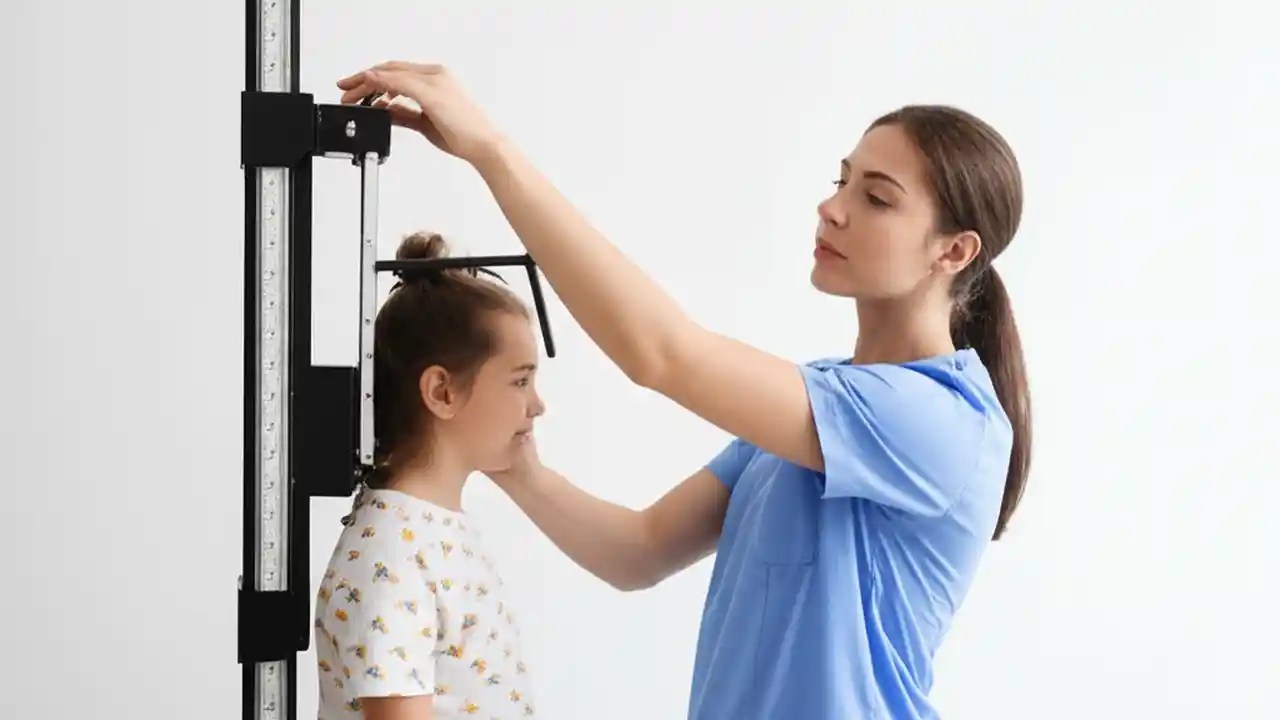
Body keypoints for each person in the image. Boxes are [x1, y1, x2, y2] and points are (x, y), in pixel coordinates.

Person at [338, 62, 1032, 719]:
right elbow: (638, 550)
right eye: (842, 181)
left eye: (876, 198)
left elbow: (662, 354)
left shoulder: (941, 419)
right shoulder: (816, 407)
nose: (832, 208)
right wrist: (514, 462)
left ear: (954, 251)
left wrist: (492, 151)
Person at [314, 231, 545, 719]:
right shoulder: (394, 552)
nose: (537, 405)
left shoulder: (430, 530)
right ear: (442, 391)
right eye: (520, 381)